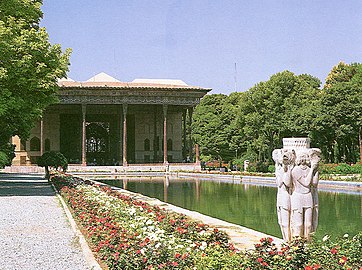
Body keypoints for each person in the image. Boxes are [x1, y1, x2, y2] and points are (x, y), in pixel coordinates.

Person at [290, 151, 318, 240]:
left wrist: (316, 170)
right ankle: (297, 244)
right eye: (301, 157)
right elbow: (306, 182)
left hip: (308, 196)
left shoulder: (309, 170)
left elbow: (314, 183)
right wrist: (312, 170)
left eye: (304, 157)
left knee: (309, 224)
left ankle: (308, 244)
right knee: (298, 224)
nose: (302, 159)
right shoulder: (295, 170)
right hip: (298, 197)